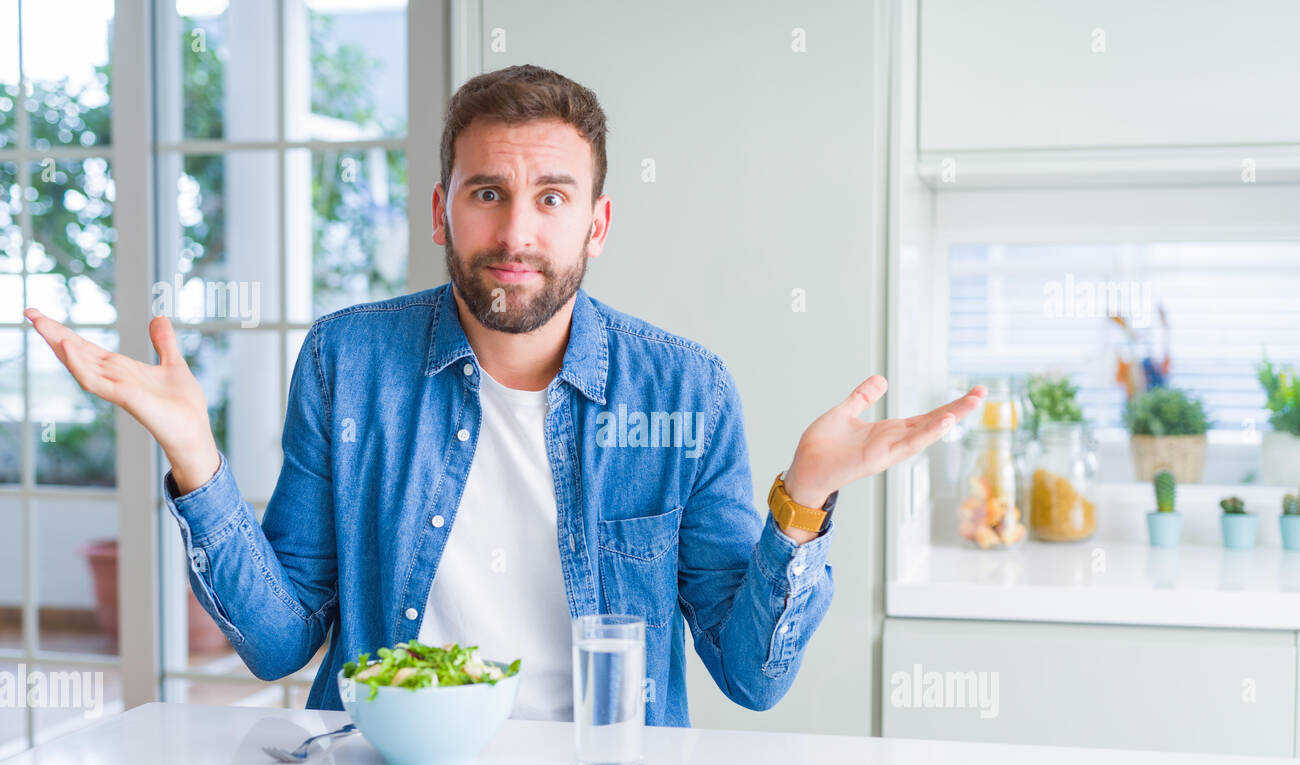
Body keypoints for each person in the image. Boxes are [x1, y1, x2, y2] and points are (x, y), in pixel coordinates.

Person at [23, 64, 984, 726]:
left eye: (552, 198)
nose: (516, 231)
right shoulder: (345, 361)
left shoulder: (686, 389)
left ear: (597, 222)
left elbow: (751, 676)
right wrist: (197, 458)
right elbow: (278, 645)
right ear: (443, 208)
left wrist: (803, 502)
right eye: (487, 192)